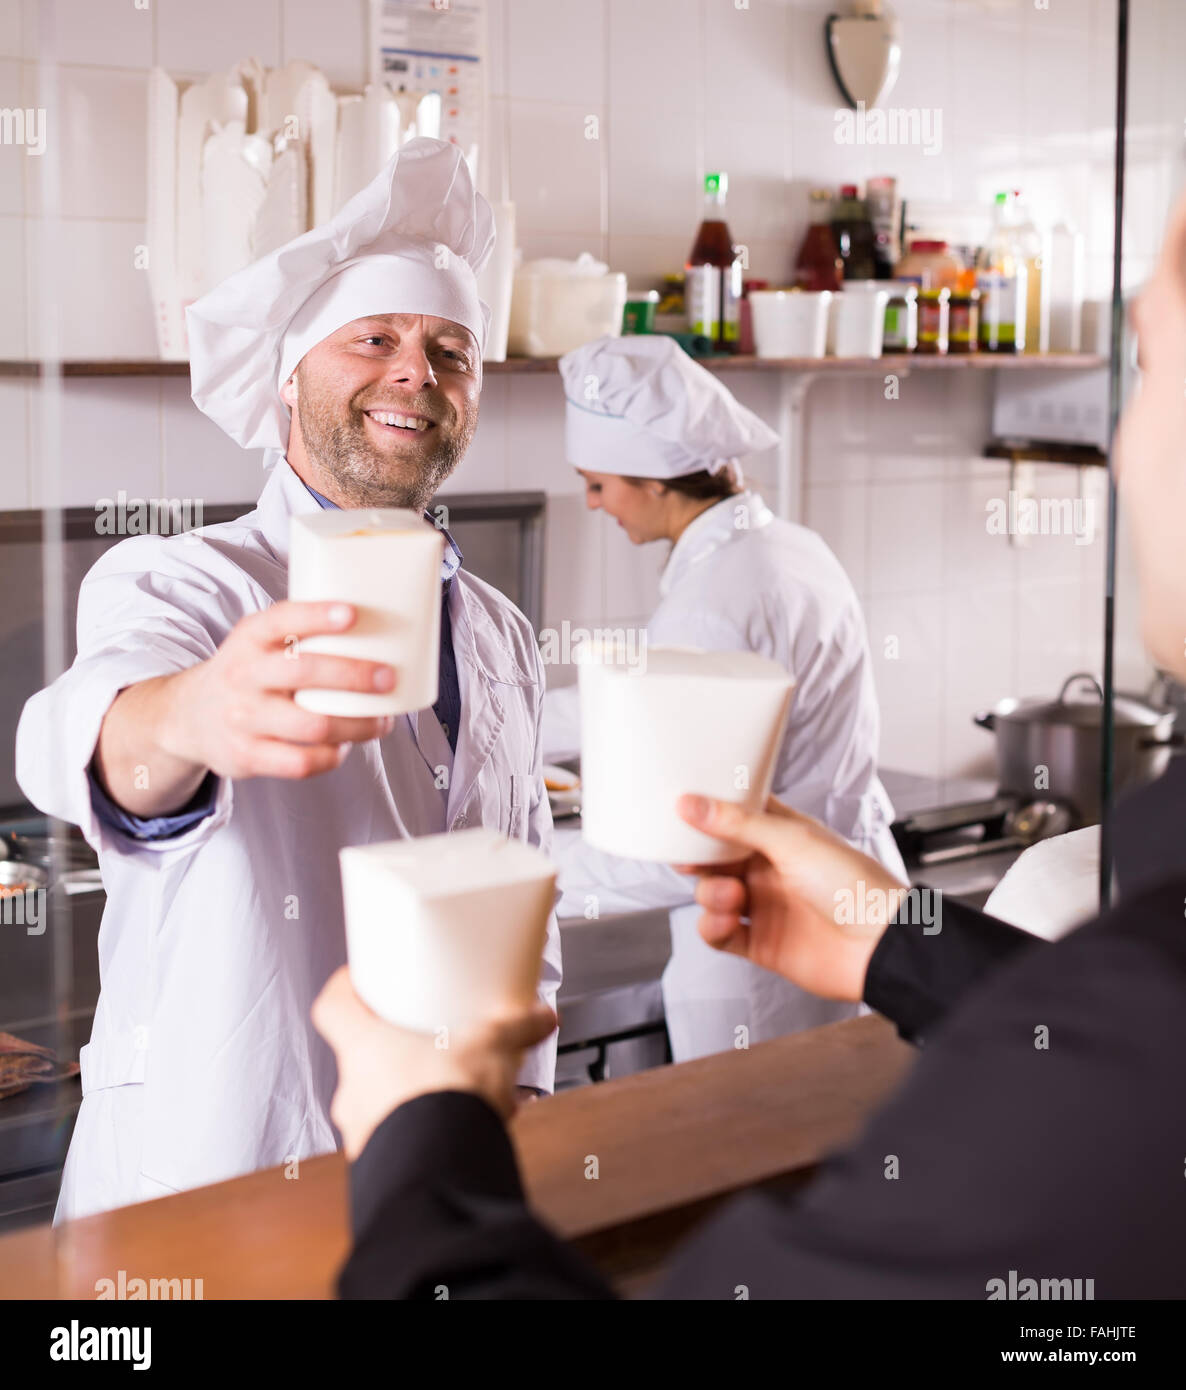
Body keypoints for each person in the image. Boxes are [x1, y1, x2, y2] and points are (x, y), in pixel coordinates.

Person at [311, 190, 1186, 1299]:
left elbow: (662, 831)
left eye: (1147, 365)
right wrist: (897, 937)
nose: (1117, 440)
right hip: (829, 920)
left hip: (745, 970)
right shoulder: (777, 549)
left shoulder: (1142, 995)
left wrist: (418, 1133)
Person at [15, 138, 561, 1222]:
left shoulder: (497, 631)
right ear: (287, 379)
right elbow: (90, 734)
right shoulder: (186, 580)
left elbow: (520, 890)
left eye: (452, 352)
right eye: (374, 339)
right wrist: (195, 714)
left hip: (426, 1181)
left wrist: (524, 1098)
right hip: (212, 1170)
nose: (417, 372)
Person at [544, 333, 906, 1060]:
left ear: (651, 480)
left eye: (597, 483)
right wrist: (497, 722)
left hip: (764, 947)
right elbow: (650, 694)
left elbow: (681, 843)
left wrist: (523, 857)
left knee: (752, 1153)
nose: (590, 504)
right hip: (846, 894)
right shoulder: (784, 548)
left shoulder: (713, 601)